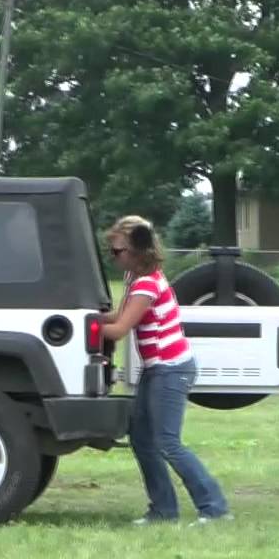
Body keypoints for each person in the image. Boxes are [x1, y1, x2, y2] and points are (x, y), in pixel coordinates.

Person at [101, 215, 231, 525]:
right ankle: (163, 511)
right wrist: (91, 315)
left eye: (117, 251)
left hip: (171, 370)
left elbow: (119, 329)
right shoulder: (136, 278)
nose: (114, 257)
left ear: (137, 250)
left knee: (167, 443)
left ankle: (214, 508)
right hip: (157, 369)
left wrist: (77, 326)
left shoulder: (147, 283)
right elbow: (119, 314)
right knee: (142, 440)